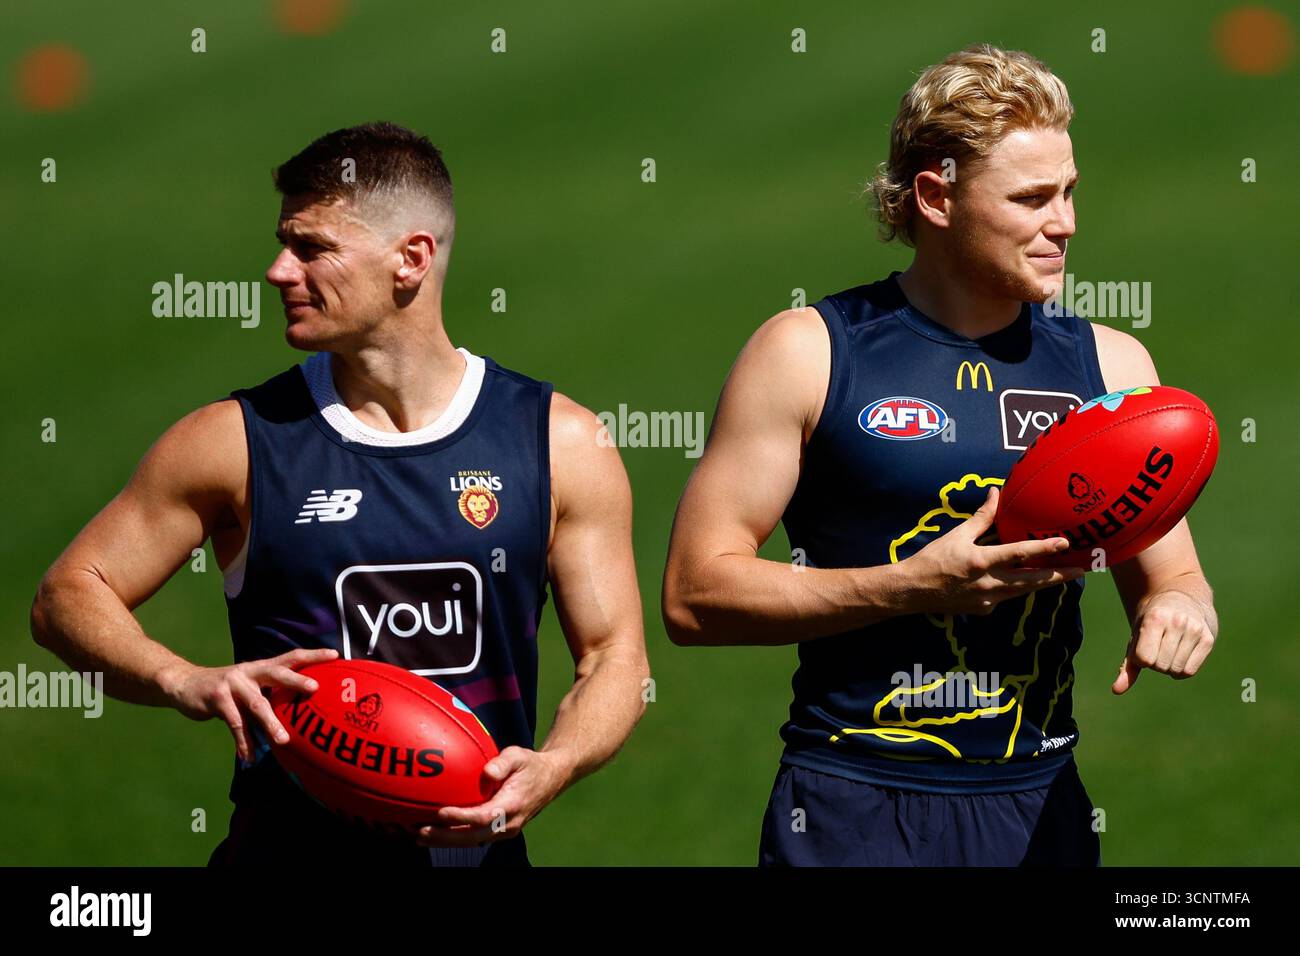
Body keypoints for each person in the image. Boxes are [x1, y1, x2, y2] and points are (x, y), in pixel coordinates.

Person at [31, 122, 649, 866]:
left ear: (410, 259)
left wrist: (554, 765)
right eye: (284, 243)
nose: (277, 272)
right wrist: (183, 678)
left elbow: (616, 656)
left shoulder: (558, 442)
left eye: (311, 247)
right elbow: (69, 593)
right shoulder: (235, 441)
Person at [661, 46, 1218, 866]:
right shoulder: (810, 353)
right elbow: (693, 596)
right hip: (852, 808)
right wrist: (910, 588)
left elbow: (1172, 575)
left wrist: (1179, 611)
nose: (1063, 222)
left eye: (1068, 193)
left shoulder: (1114, 371)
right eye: (1031, 199)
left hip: (1040, 811)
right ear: (936, 196)